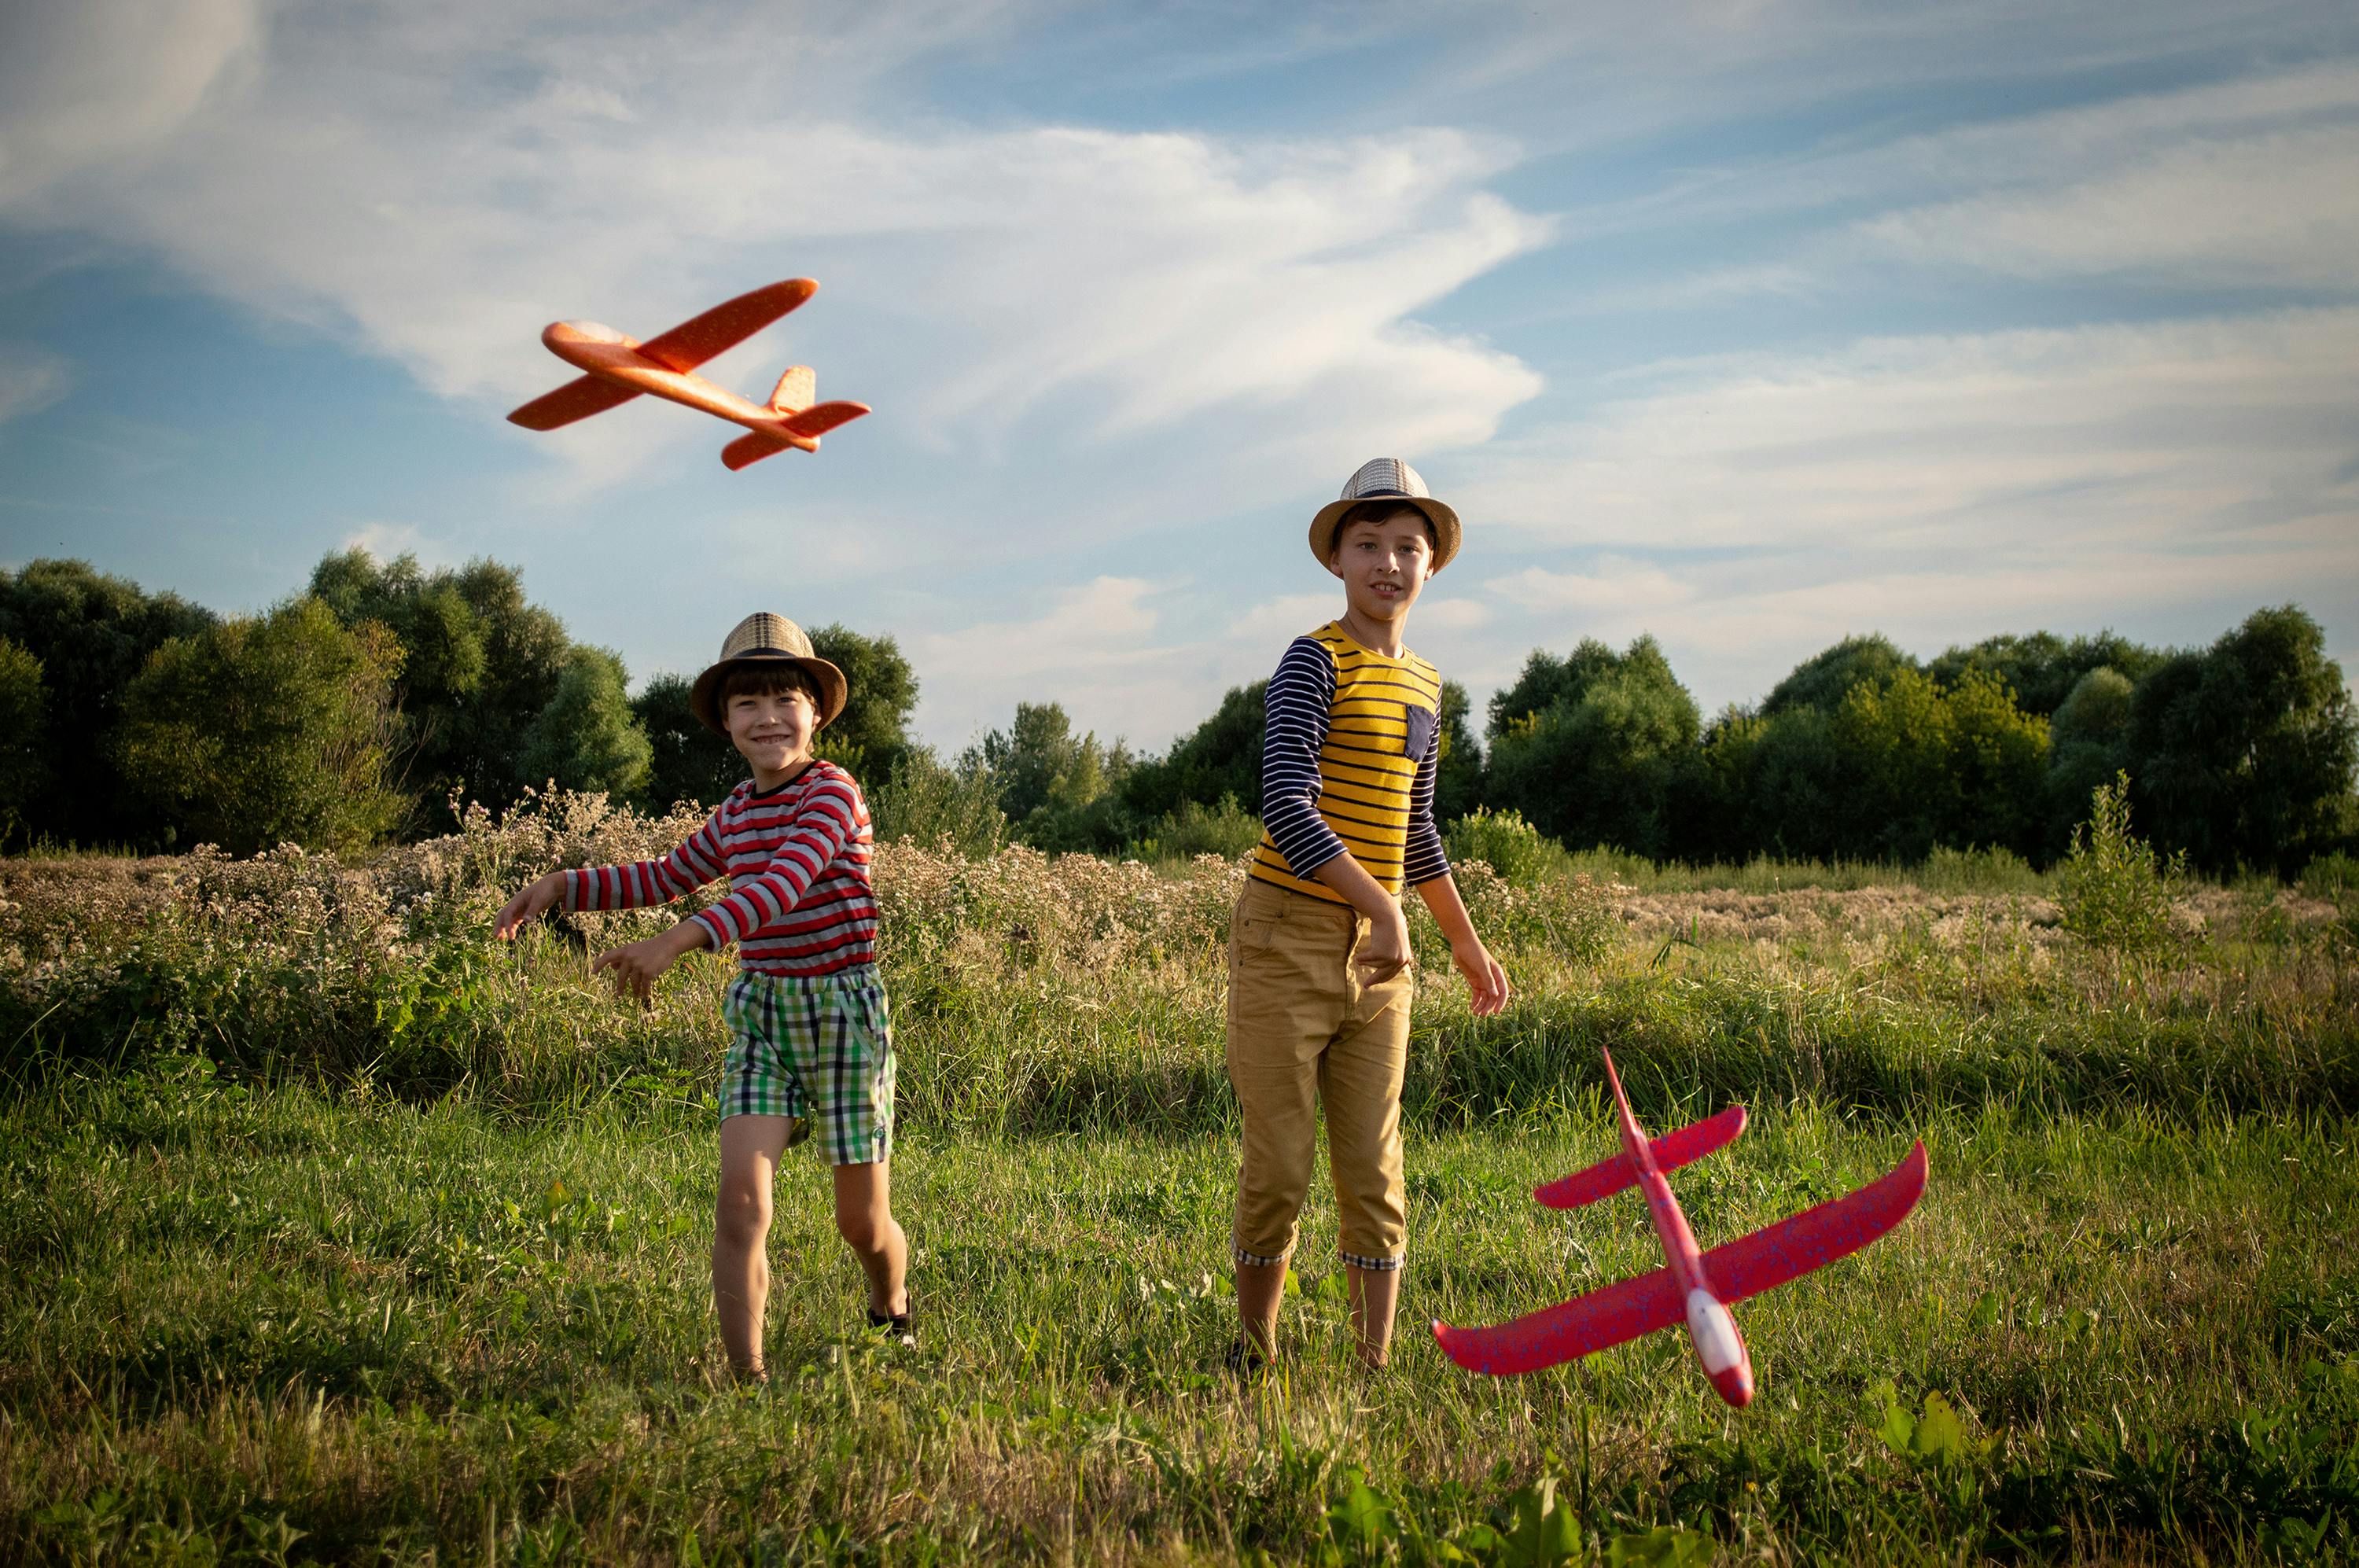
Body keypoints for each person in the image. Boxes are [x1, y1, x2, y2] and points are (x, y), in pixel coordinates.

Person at [493, 613, 907, 1382]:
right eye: (747, 704)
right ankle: (746, 1377)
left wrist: (676, 941)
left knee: (861, 1221)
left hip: (847, 1021)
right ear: (726, 721)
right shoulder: (734, 815)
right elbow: (661, 873)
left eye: (785, 698)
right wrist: (561, 884)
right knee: (741, 1205)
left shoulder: (832, 795)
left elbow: (782, 885)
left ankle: (892, 1307)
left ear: (816, 711)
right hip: (767, 1023)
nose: (768, 717)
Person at [1226, 457, 1513, 1375]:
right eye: (1369, 545)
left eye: (1407, 547)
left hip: (1381, 960)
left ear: (1432, 565)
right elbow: (1284, 799)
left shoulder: (1428, 684)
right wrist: (1379, 905)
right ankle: (1255, 1352)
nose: (1388, 562)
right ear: (1337, 560)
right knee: (1279, 1166)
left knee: (1374, 1168)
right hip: (1286, 937)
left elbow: (1415, 825)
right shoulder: (1315, 658)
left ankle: (1372, 1368)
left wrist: (1463, 941)